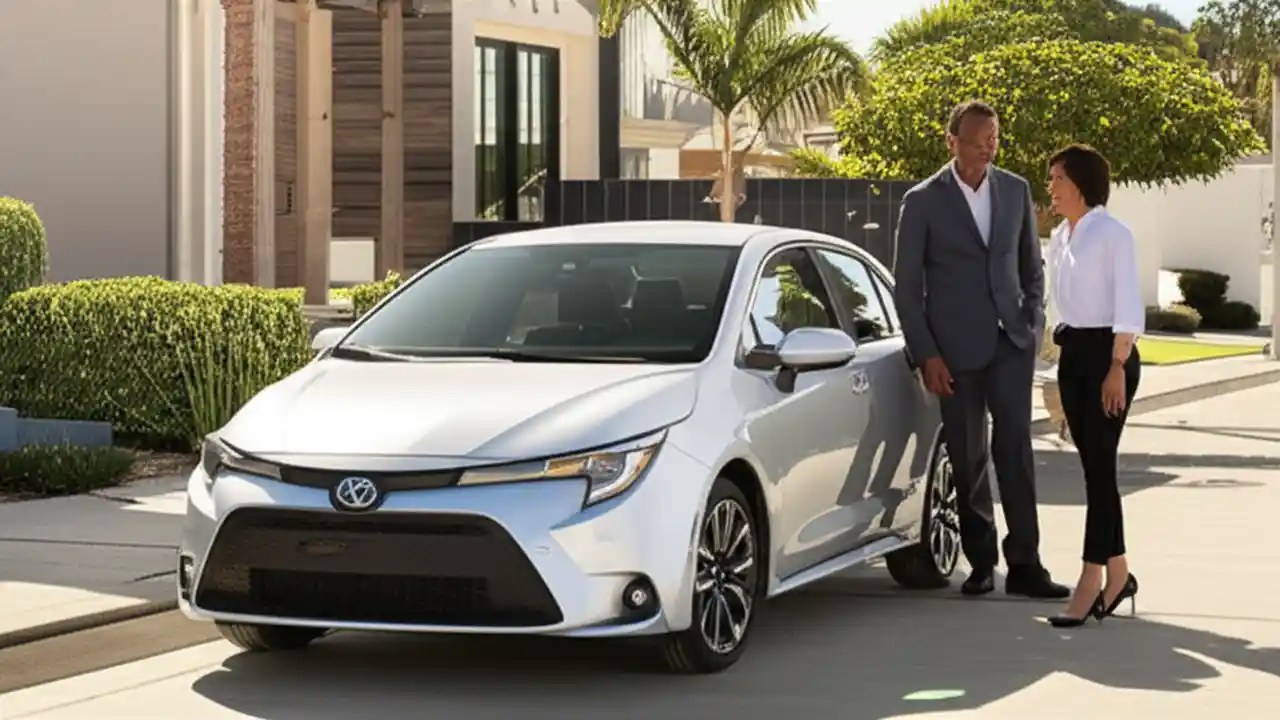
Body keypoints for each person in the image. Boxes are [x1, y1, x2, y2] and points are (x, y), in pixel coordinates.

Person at [894, 100, 1069, 599]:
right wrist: (926, 353)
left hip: (1010, 344)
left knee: (1014, 450)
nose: (988, 145)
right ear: (952, 142)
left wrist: (1032, 325)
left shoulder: (1015, 190)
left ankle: (1027, 565)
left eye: (993, 137)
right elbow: (907, 288)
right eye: (978, 138)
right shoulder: (923, 201)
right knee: (967, 456)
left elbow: (1031, 269)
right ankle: (979, 562)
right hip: (952, 354)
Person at [1042, 143, 1144, 628]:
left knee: (1100, 470)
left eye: (1057, 178)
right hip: (1074, 358)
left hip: (1110, 358)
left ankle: (1091, 577)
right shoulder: (1061, 236)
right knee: (1095, 471)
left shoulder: (1113, 234)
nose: (1051, 188)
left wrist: (1117, 366)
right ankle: (1119, 572)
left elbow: (1128, 302)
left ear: (1080, 182)